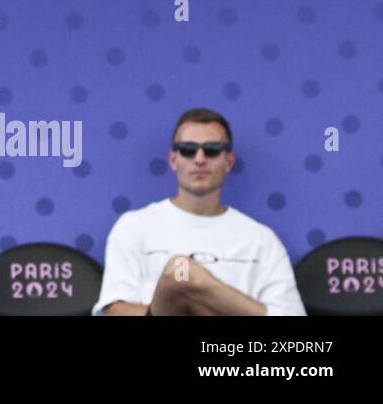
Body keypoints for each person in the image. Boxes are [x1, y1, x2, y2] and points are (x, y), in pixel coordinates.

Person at [93, 108, 306, 316]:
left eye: (212, 149)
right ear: (174, 160)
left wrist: (197, 286)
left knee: (184, 274)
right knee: (179, 273)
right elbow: (115, 310)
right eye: (188, 149)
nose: (200, 158)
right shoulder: (134, 226)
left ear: (229, 161)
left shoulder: (261, 239)